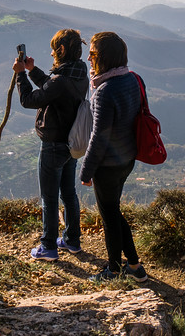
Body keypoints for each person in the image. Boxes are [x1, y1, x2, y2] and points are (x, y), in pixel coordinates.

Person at [13, 29, 89, 261]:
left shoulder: (61, 80)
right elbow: (53, 86)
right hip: (71, 144)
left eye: (54, 48)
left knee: (49, 197)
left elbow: (29, 100)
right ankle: (71, 241)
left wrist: (20, 75)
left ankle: (48, 247)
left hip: (53, 144)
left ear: (61, 50)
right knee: (69, 193)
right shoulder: (80, 75)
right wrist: (32, 70)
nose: (51, 52)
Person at [79, 31, 148, 282]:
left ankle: (113, 269)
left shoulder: (105, 90)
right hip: (127, 159)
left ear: (104, 57)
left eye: (93, 53)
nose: (88, 57)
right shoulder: (133, 79)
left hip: (107, 165)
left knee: (109, 217)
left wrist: (86, 171)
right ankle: (134, 266)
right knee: (114, 211)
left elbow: (99, 137)